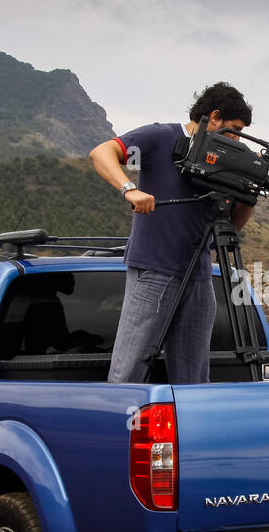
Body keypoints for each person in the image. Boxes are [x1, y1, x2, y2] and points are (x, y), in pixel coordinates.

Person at [89, 82, 256, 384]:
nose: (236, 138)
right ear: (214, 117)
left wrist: (248, 195)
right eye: (233, 129)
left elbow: (231, 227)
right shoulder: (161, 136)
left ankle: (190, 430)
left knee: (193, 377)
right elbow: (102, 152)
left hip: (200, 274)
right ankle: (119, 427)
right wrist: (130, 189)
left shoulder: (226, 158)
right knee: (129, 371)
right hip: (153, 269)